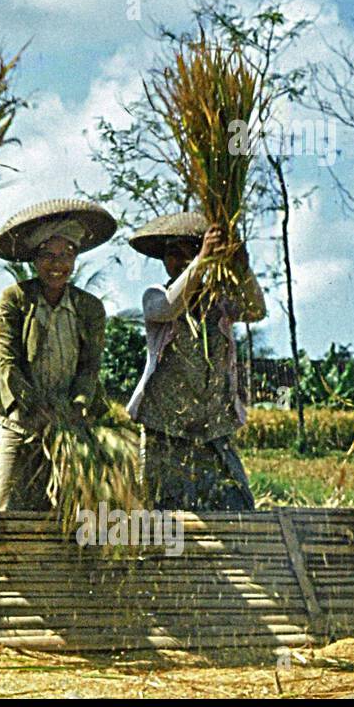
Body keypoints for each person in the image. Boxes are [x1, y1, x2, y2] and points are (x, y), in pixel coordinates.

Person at [125, 212, 266, 511]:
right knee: (164, 511)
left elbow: (255, 310)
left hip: (212, 427)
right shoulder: (156, 295)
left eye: (186, 253)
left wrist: (243, 267)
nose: (178, 261)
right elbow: (168, 308)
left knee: (236, 506)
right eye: (172, 254)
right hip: (166, 428)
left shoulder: (220, 301)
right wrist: (200, 260)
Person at [0, 199, 116, 511]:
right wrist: (34, 408)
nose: (57, 264)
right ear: (34, 260)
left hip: (69, 420)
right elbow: (9, 362)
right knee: (6, 506)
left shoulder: (89, 307)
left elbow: (89, 367)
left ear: (75, 259)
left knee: (72, 509)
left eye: (66, 255)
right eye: (48, 256)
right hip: (21, 419)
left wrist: (78, 405)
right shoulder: (14, 299)